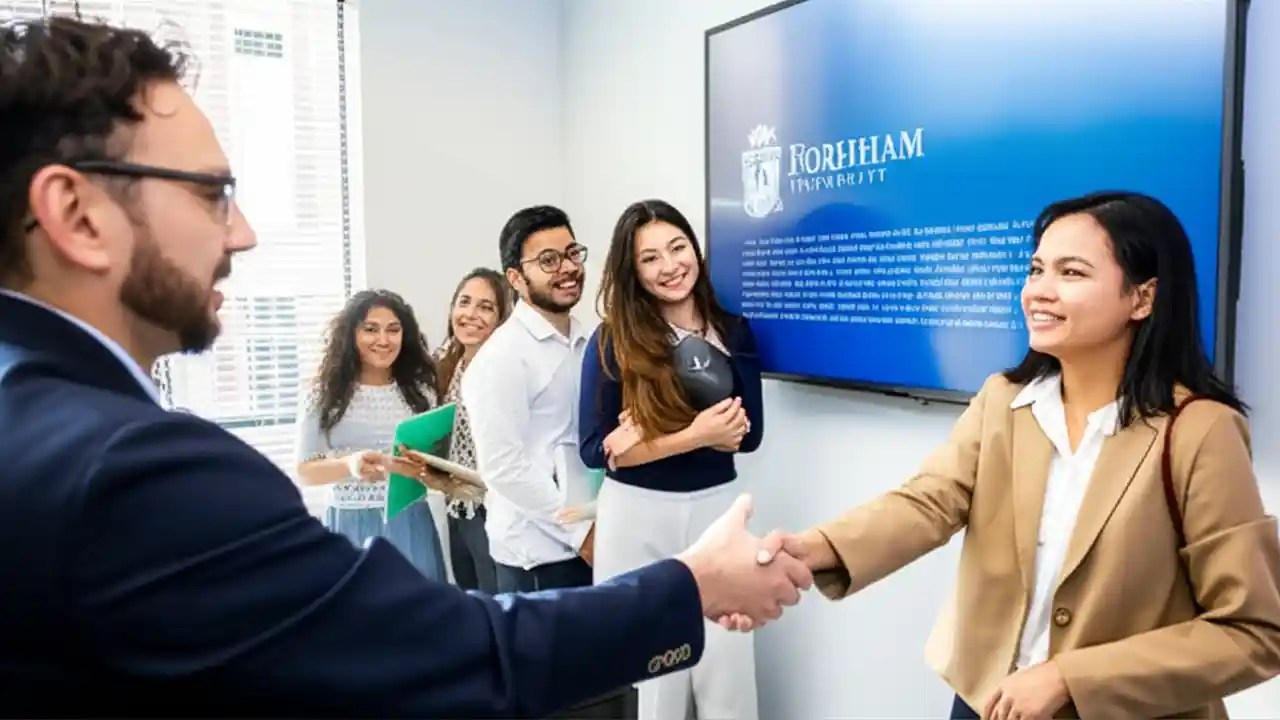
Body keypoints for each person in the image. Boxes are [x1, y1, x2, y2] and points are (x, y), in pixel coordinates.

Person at [0, 16, 815, 716]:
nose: (242, 232)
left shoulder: (35, 412)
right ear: (76, 214)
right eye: (211, 193)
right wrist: (691, 585)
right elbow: (451, 649)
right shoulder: (130, 471)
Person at [750, 192, 1280, 719]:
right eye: (1036, 269)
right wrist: (816, 547)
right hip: (989, 701)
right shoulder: (1004, 399)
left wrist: (1069, 679)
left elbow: (1253, 631)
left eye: (1071, 273)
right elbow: (931, 501)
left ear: (1142, 298)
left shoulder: (1199, 430)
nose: (1039, 292)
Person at [579, 199, 765, 720]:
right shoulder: (614, 340)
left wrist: (645, 439)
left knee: (728, 660)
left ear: (695, 250)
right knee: (653, 670)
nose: (670, 266)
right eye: (650, 258)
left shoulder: (733, 331)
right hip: (636, 516)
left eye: (678, 247)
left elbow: (748, 437)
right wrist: (699, 432)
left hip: (716, 511)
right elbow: (598, 448)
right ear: (632, 271)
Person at [460, 205, 600, 593]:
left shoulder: (586, 339)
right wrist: (582, 532)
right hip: (538, 563)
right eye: (548, 260)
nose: (568, 268)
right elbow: (503, 465)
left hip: (588, 546)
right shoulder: (503, 356)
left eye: (572, 254)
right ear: (516, 278)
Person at [295, 289, 448, 581]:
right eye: (371, 329)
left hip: (411, 521)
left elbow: (438, 468)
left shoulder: (421, 392)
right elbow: (305, 472)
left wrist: (424, 470)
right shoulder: (322, 395)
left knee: (419, 619)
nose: (383, 340)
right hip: (350, 525)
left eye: (393, 330)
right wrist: (350, 466)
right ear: (351, 334)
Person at [432, 268, 513, 593]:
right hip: (456, 506)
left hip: (491, 507)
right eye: (464, 302)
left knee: (496, 602)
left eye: (486, 307)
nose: (471, 314)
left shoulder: (505, 369)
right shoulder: (447, 363)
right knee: (469, 596)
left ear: (502, 318)